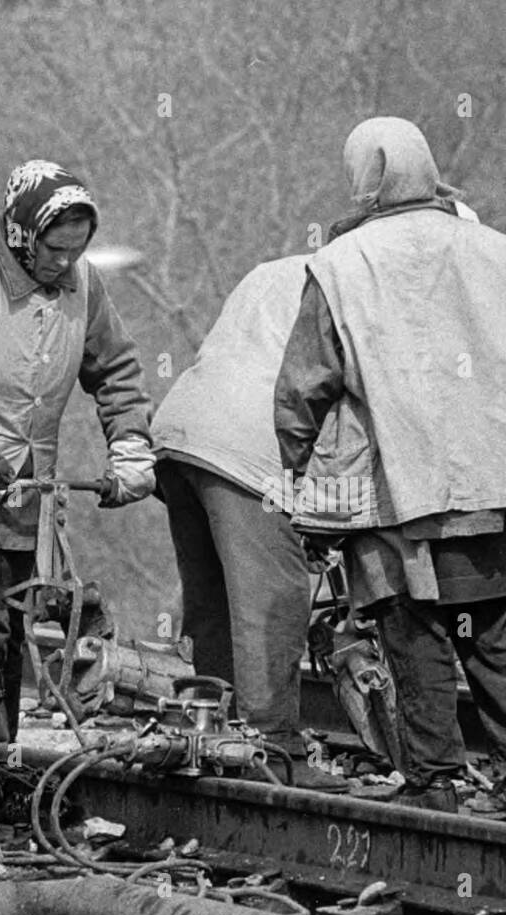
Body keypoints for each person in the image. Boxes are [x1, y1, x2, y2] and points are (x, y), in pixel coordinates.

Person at [275, 117, 506, 818]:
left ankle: (436, 781)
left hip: (394, 488)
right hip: (491, 480)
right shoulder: (494, 251)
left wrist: (295, 477)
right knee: (498, 630)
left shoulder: (342, 264)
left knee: (414, 634)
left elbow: (303, 385)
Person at [0, 160, 155, 742]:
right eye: (54, 248)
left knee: (11, 630)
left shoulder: (84, 284)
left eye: (76, 249)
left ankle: (1, 770)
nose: (63, 262)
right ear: (23, 232)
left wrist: (130, 444)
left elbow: (116, 369)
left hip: (27, 501)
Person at [152, 255, 347, 790]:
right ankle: (272, 749)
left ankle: (208, 736)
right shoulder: (366, 280)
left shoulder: (275, 268)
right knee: (273, 602)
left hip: (182, 428)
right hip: (251, 441)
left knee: (213, 601)